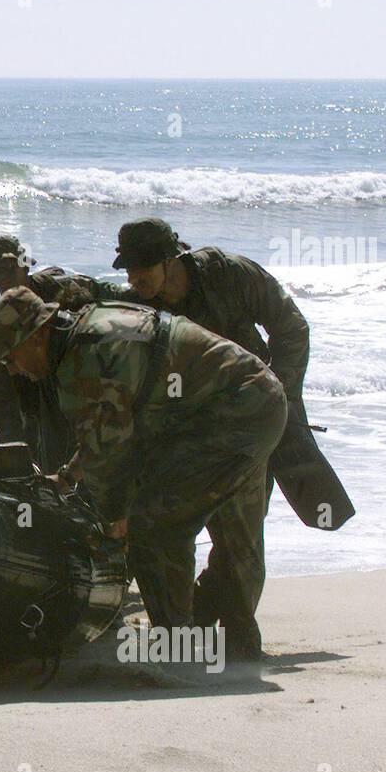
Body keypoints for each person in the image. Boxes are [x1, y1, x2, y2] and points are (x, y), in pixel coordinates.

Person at [0, 286, 287, 661]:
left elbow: (111, 455)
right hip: (260, 398)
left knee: (152, 527)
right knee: (237, 529)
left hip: (226, 416)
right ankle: (237, 642)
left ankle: (178, 649)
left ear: (37, 334)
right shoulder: (91, 327)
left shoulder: (81, 364)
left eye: (12, 358)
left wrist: (115, 523)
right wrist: (69, 475)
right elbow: (110, 429)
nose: (15, 372)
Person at [111, 217, 320, 650]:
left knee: (241, 531)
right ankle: (203, 620)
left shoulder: (229, 274)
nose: (133, 280)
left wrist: (279, 393)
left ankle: (236, 631)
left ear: (170, 258)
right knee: (184, 523)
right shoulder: (142, 307)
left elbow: (291, 327)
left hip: (251, 419)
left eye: (141, 269)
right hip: (191, 429)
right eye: (127, 271)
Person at [0, 234, 134, 472]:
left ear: (25, 265)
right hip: (35, 405)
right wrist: (14, 454)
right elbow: (1, 401)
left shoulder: (65, 291)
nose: (2, 278)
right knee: (45, 464)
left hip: (83, 388)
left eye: (9, 268)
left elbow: (120, 301)